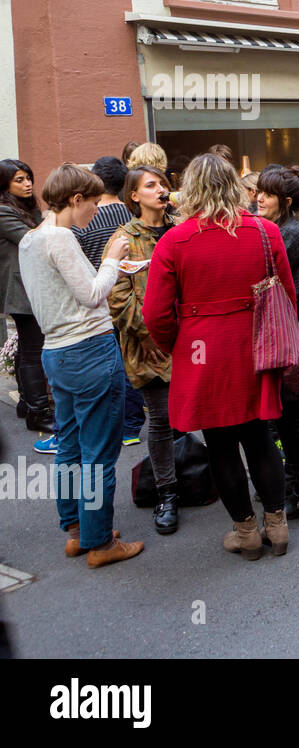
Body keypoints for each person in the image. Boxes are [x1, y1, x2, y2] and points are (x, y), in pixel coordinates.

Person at [143, 153, 295, 560]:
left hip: (202, 351)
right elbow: (287, 298)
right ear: (234, 186)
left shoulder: (173, 240)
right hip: (255, 345)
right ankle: (276, 526)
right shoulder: (265, 232)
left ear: (190, 189)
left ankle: (246, 532)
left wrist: (178, 343)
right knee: (261, 437)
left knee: (221, 444)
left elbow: (155, 314)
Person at [18, 163, 140, 567]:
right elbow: (92, 295)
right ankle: (101, 544)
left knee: (70, 447)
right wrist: (111, 258)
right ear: (76, 199)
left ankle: (77, 531)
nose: (96, 210)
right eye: (93, 202)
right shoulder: (61, 238)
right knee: (99, 454)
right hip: (89, 349)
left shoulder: (31, 240)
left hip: (57, 352)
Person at [108, 165, 180, 534]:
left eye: (163, 184)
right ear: (133, 195)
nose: (160, 190)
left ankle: (208, 475)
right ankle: (167, 493)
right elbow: (118, 298)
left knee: (203, 413)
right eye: (150, 185)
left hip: (192, 341)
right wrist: (151, 335)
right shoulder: (125, 238)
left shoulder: (181, 229)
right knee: (162, 419)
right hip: (150, 347)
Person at [256, 165, 299, 518]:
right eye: (258, 192)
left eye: (266, 194)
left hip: (289, 337)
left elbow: (298, 294)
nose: (258, 199)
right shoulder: (280, 229)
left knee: (293, 415)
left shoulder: (290, 233)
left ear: (285, 201)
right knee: (285, 416)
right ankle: (294, 482)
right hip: (287, 334)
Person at [73, 156, 144, 447]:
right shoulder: (134, 216)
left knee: (112, 364)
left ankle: (118, 426)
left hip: (100, 301)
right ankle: (132, 424)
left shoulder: (84, 222)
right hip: (133, 296)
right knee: (133, 359)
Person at [0, 159, 53, 434]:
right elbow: (33, 240)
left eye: (29, 178)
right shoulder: (2, 211)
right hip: (21, 288)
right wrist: (56, 216)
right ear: (5, 184)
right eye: (19, 180)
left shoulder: (24, 208)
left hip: (27, 285)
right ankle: (38, 412)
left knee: (27, 347)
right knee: (34, 349)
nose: (28, 183)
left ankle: (27, 403)